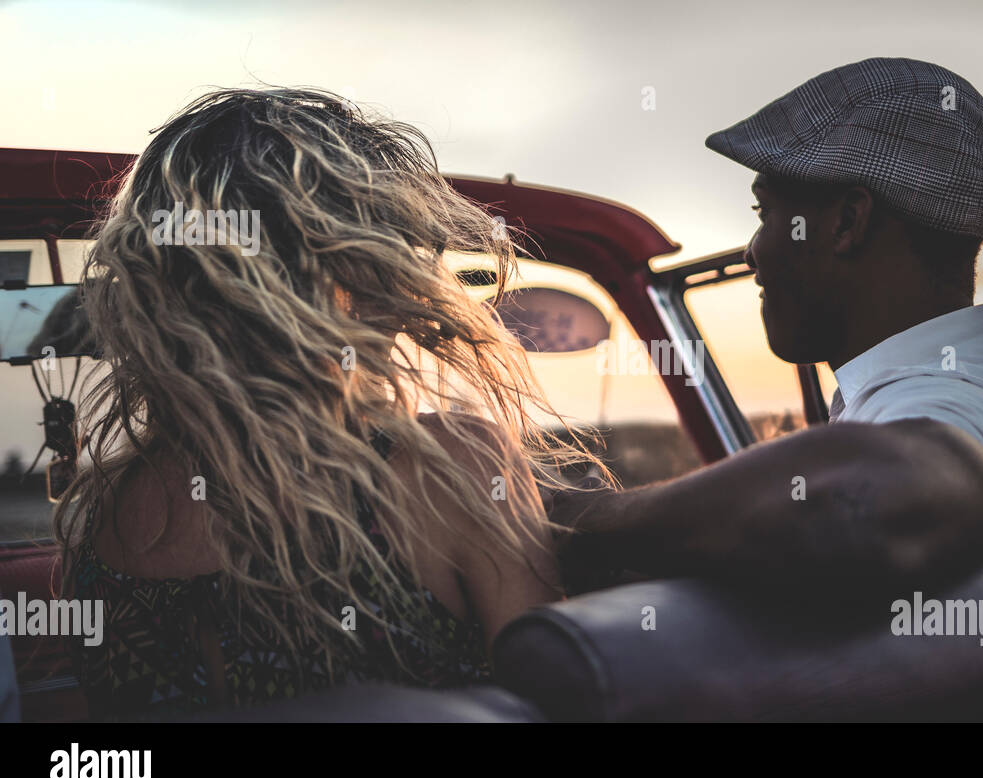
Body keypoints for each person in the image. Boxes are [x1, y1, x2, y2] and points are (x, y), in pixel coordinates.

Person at [54, 88, 602, 720]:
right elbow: (565, 705)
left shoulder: (99, 517)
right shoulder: (450, 468)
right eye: (385, 257)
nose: (402, 302)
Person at [553, 58, 983, 584]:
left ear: (847, 222)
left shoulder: (957, 401)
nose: (753, 250)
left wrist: (575, 515)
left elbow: (869, 497)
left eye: (767, 212)